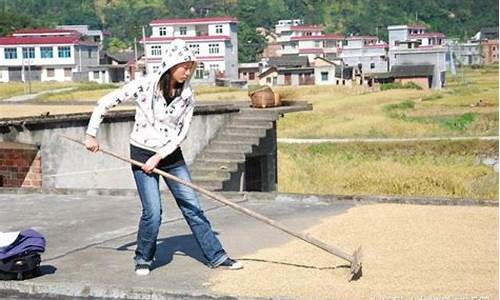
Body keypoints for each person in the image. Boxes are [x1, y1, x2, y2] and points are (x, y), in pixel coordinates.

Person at [84, 39, 242, 276]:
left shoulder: (187, 95)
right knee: (153, 212)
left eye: (191, 67)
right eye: (184, 66)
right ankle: (143, 257)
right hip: (140, 152)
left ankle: (216, 256)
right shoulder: (144, 85)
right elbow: (106, 102)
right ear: (170, 64)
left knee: (192, 207)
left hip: (169, 155)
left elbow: (181, 133)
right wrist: (90, 134)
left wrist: (158, 157)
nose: (188, 72)